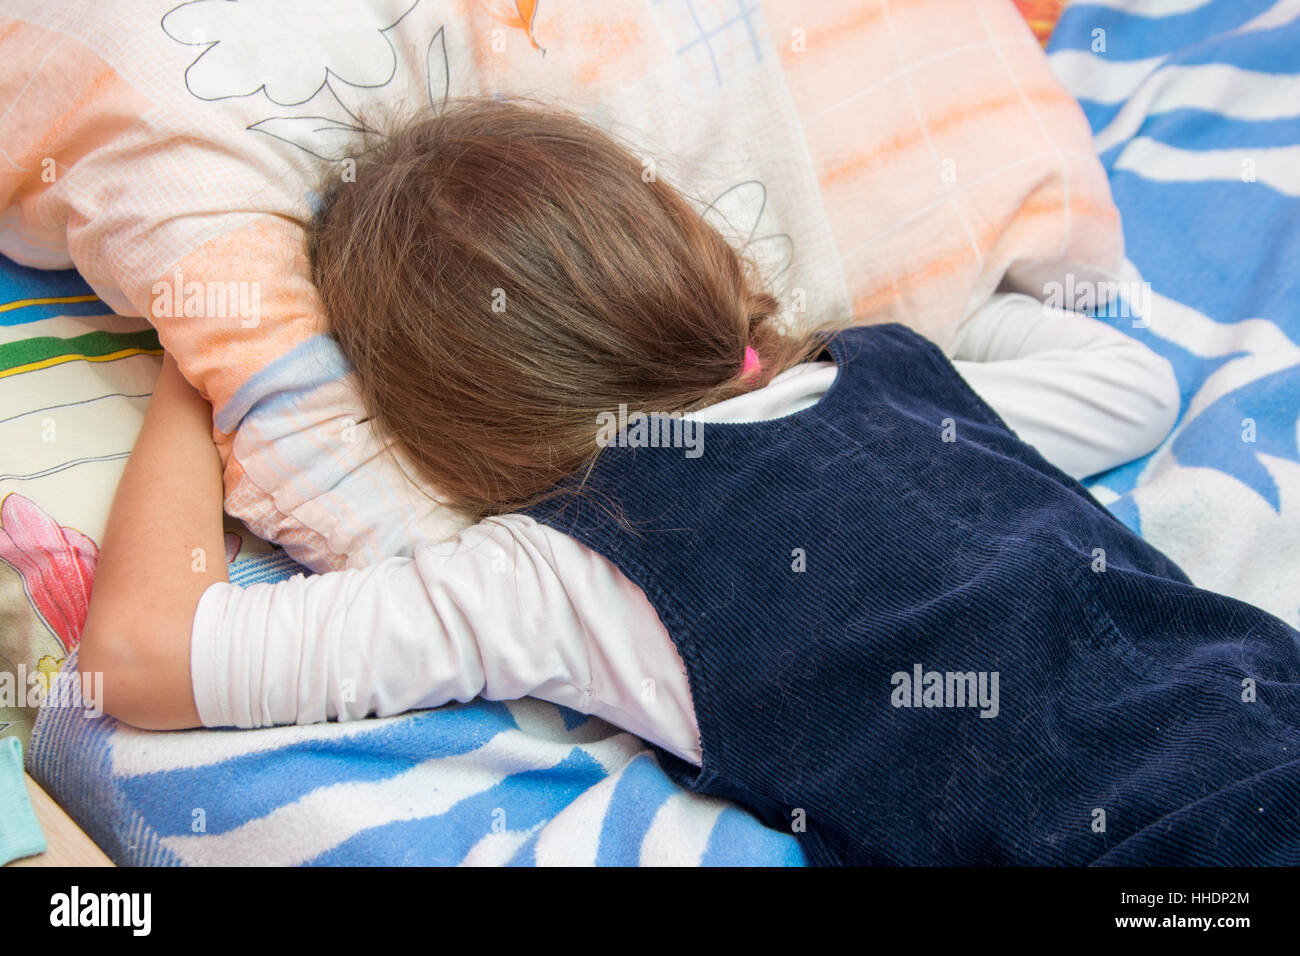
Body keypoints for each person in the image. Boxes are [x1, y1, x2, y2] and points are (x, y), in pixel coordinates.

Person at [80, 96, 1300, 865]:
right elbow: (1125, 383)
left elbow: (142, 659)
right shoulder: (901, 386)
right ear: (700, 252)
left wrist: (209, 366)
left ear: (438, 426)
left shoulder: (563, 569)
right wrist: (840, 327)